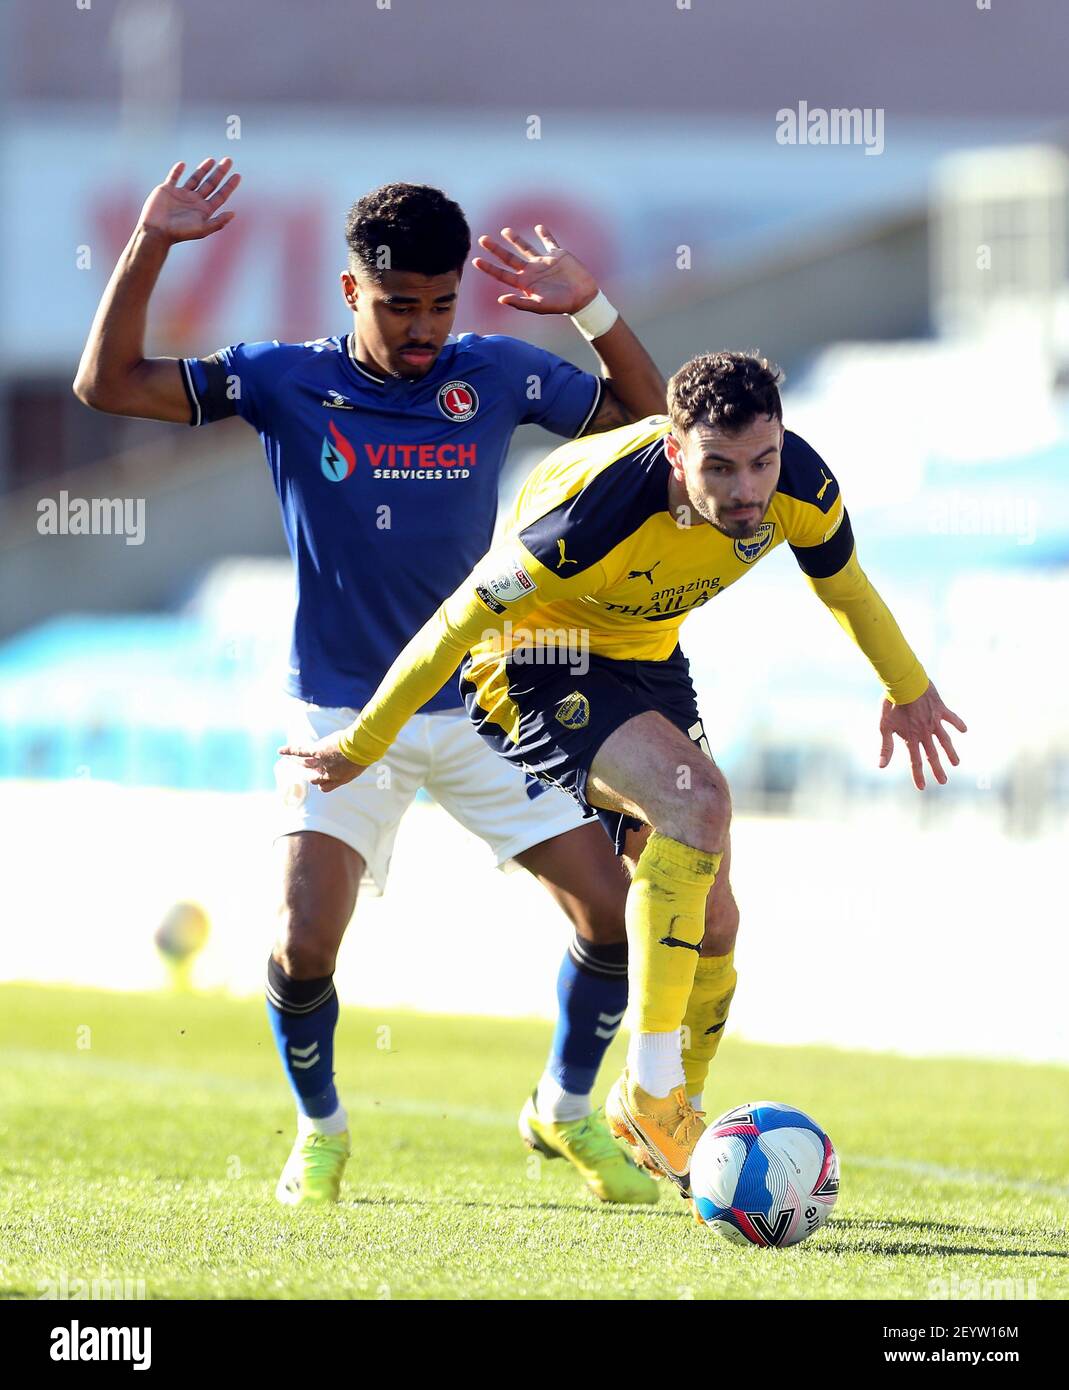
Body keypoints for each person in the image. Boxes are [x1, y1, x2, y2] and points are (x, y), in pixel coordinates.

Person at [74, 157, 670, 1206]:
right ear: (352, 291)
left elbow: (655, 423)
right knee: (303, 939)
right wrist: (151, 243)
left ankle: (564, 1108)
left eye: (441, 302)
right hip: (344, 711)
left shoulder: (495, 373)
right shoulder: (282, 379)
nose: (425, 325)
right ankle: (320, 1128)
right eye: (400, 305)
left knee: (612, 912)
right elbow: (108, 383)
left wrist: (594, 309)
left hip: (486, 702)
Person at [282, 350, 968, 1196]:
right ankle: (649, 1090)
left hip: (645, 663)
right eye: (719, 466)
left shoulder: (799, 485)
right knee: (697, 800)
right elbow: (458, 621)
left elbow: (847, 589)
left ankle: (673, 1115)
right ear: (675, 453)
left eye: (762, 460)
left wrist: (908, 689)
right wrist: (365, 740)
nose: (747, 490)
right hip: (529, 661)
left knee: (716, 922)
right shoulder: (594, 510)